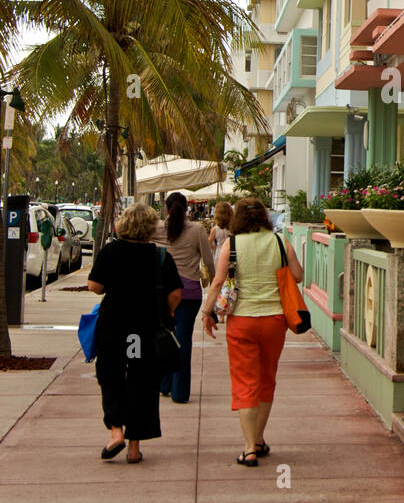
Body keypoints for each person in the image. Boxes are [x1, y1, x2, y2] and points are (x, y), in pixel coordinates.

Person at [201, 197, 302, 467]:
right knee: (267, 378)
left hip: (241, 321)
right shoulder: (280, 242)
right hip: (274, 321)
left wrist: (207, 312)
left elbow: (218, 282)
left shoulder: (231, 245)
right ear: (265, 217)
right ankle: (258, 438)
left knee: (245, 380)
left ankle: (248, 449)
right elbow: (299, 275)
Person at [88, 204, 182, 464]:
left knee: (111, 375)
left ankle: (116, 431)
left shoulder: (110, 251)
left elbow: (95, 286)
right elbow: (175, 294)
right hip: (143, 331)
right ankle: (134, 446)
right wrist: (168, 313)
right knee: (141, 380)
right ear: (150, 228)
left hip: (113, 328)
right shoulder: (160, 256)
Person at [153, 192, 215, 403]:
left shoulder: (158, 228)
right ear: (187, 208)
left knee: (163, 335)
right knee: (183, 340)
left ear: (167, 209)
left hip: (163, 293)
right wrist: (212, 282)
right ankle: (180, 392)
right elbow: (208, 260)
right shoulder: (197, 230)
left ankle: (164, 382)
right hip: (189, 293)